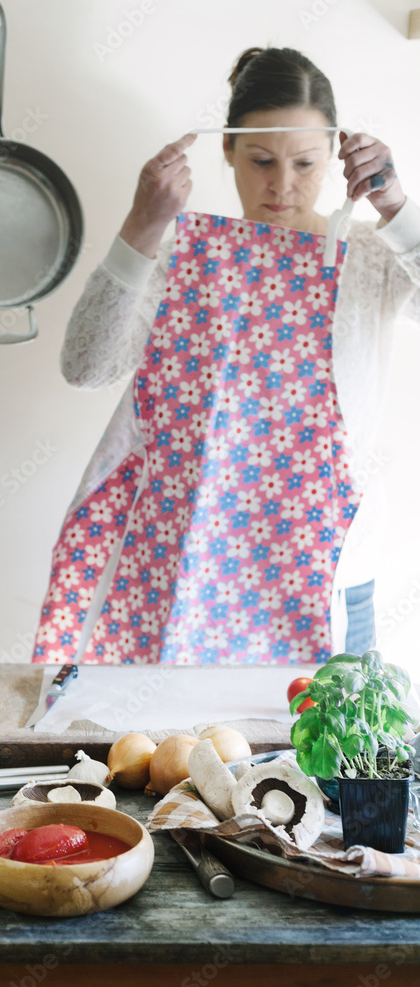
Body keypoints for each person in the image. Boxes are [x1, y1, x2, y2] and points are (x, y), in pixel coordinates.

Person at [33, 47, 420, 665]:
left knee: (324, 760)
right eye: (262, 160)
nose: (283, 185)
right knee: (185, 761)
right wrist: (141, 227)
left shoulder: (373, 259)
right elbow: (86, 366)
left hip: (331, 577)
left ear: (337, 157)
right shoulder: (191, 262)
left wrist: (397, 206)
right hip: (195, 577)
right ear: (228, 151)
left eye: (306, 163)